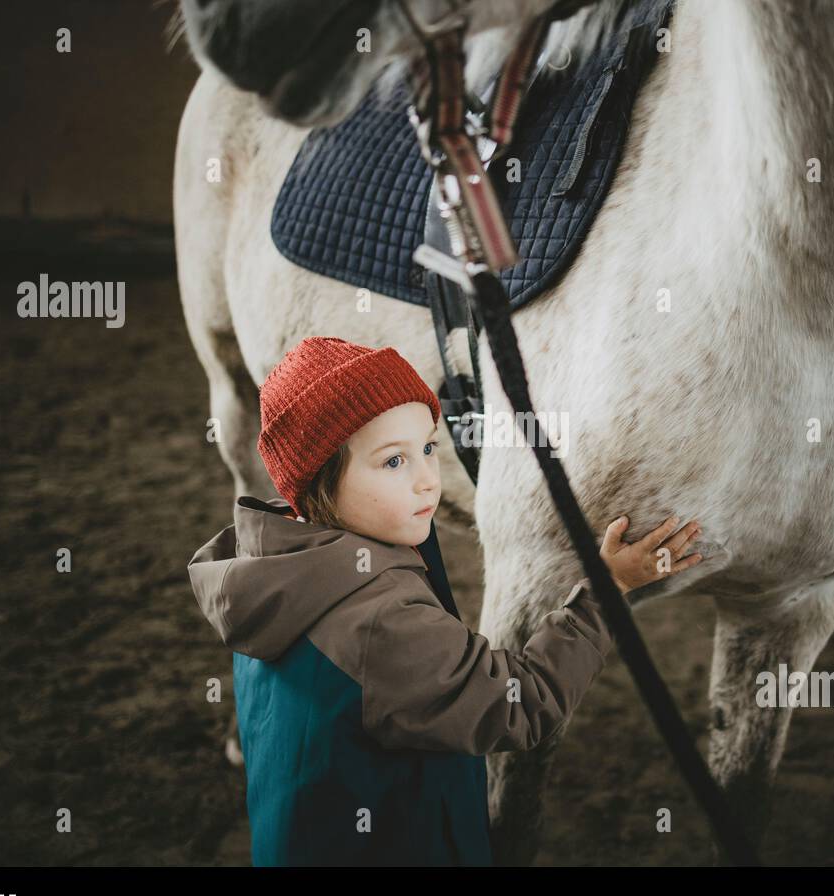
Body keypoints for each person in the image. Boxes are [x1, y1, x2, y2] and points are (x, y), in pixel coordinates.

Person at [187, 336, 703, 865]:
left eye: (429, 448)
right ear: (318, 477)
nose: (427, 480)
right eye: (393, 462)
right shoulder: (379, 622)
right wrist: (605, 595)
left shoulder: (271, 568)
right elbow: (518, 704)